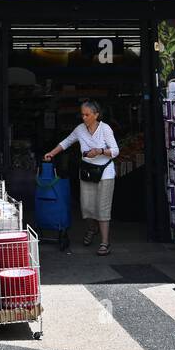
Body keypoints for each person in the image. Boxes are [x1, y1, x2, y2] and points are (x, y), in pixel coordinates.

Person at [44, 100, 119, 255]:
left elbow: (115, 151)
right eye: (82, 114)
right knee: (86, 207)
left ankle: (105, 243)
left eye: (87, 114)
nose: (84, 117)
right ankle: (92, 229)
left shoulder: (105, 128)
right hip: (87, 171)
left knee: (103, 208)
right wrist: (51, 153)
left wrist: (100, 151)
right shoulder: (80, 129)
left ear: (96, 115)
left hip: (105, 172)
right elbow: (66, 142)